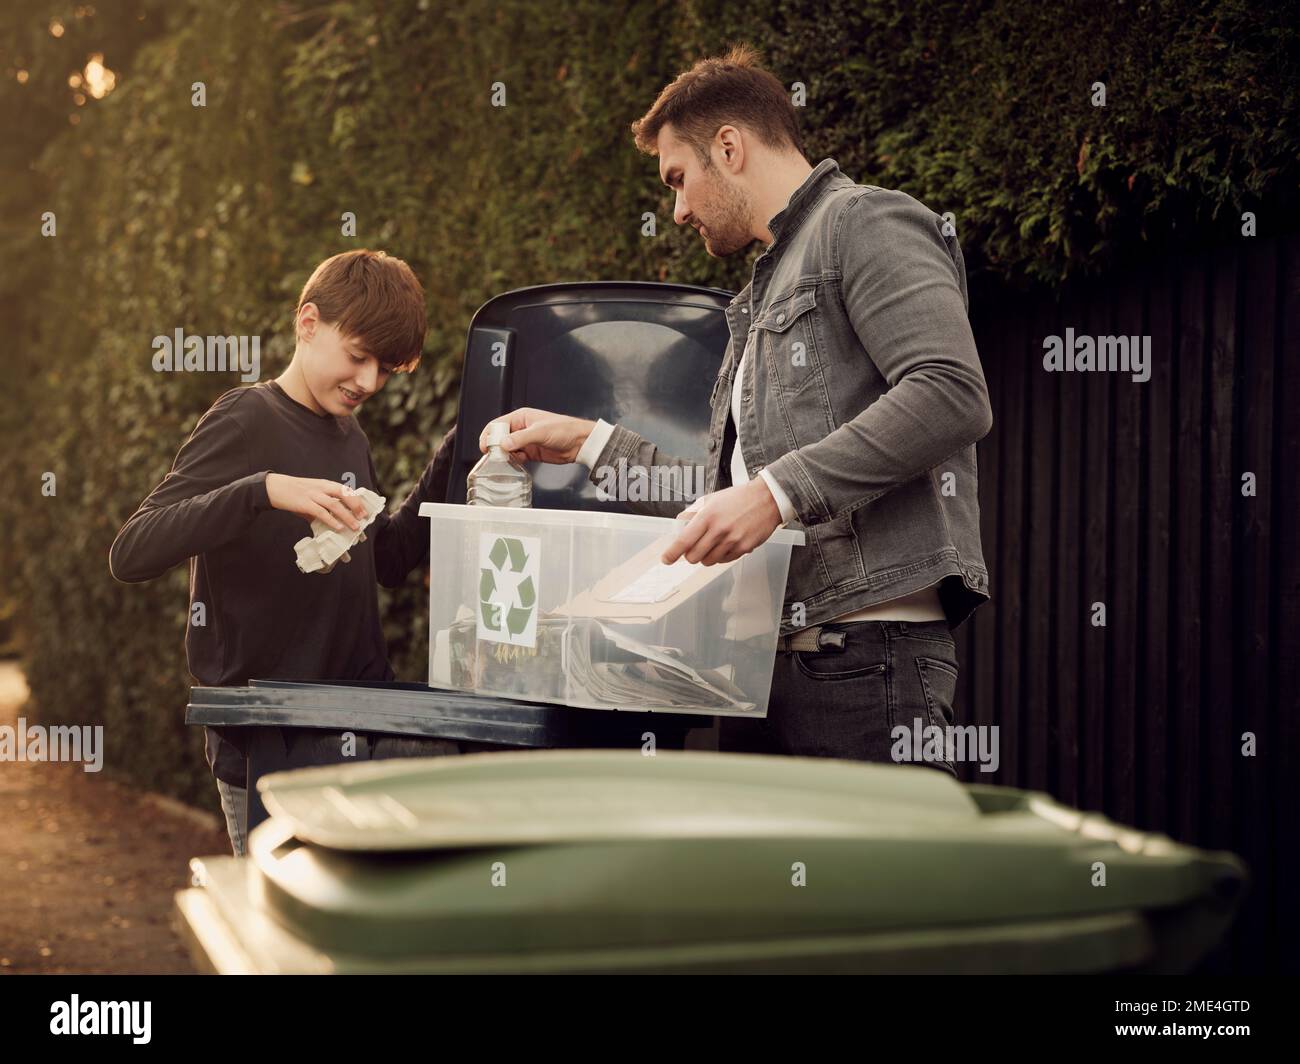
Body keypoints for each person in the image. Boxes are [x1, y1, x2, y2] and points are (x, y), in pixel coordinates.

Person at [478, 46, 992, 776]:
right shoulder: (757, 301)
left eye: (678, 180)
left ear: (730, 146)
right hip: (761, 675)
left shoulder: (864, 221)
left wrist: (777, 493)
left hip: (865, 665)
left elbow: (950, 390)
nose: (678, 209)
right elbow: (727, 507)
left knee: (877, 895)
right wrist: (588, 443)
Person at [110, 249, 458, 854]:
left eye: (384, 369)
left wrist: (456, 451)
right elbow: (133, 550)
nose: (369, 382)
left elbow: (388, 561)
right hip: (267, 741)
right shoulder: (246, 418)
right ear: (308, 323)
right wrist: (263, 490)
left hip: (353, 727)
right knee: (283, 933)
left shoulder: (350, 434)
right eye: (358, 357)